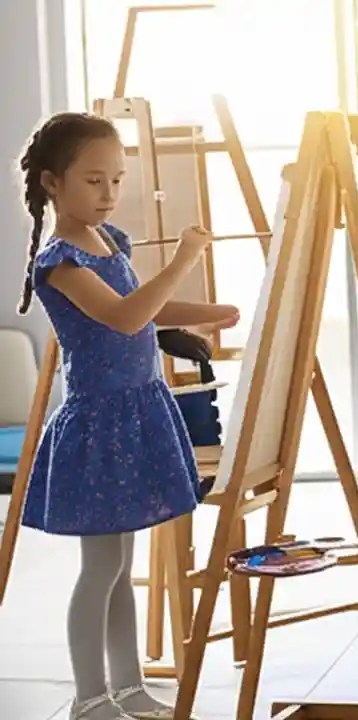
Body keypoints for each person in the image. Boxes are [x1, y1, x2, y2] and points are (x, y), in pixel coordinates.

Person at [15, 112, 240, 720]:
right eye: (94, 181)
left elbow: (146, 308)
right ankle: (90, 698)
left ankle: (129, 684)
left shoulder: (109, 243)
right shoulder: (60, 262)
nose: (109, 194)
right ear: (52, 182)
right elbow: (124, 318)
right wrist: (185, 260)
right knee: (101, 567)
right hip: (99, 425)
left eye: (116, 180)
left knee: (122, 564)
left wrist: (212, 310)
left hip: (137, 413)